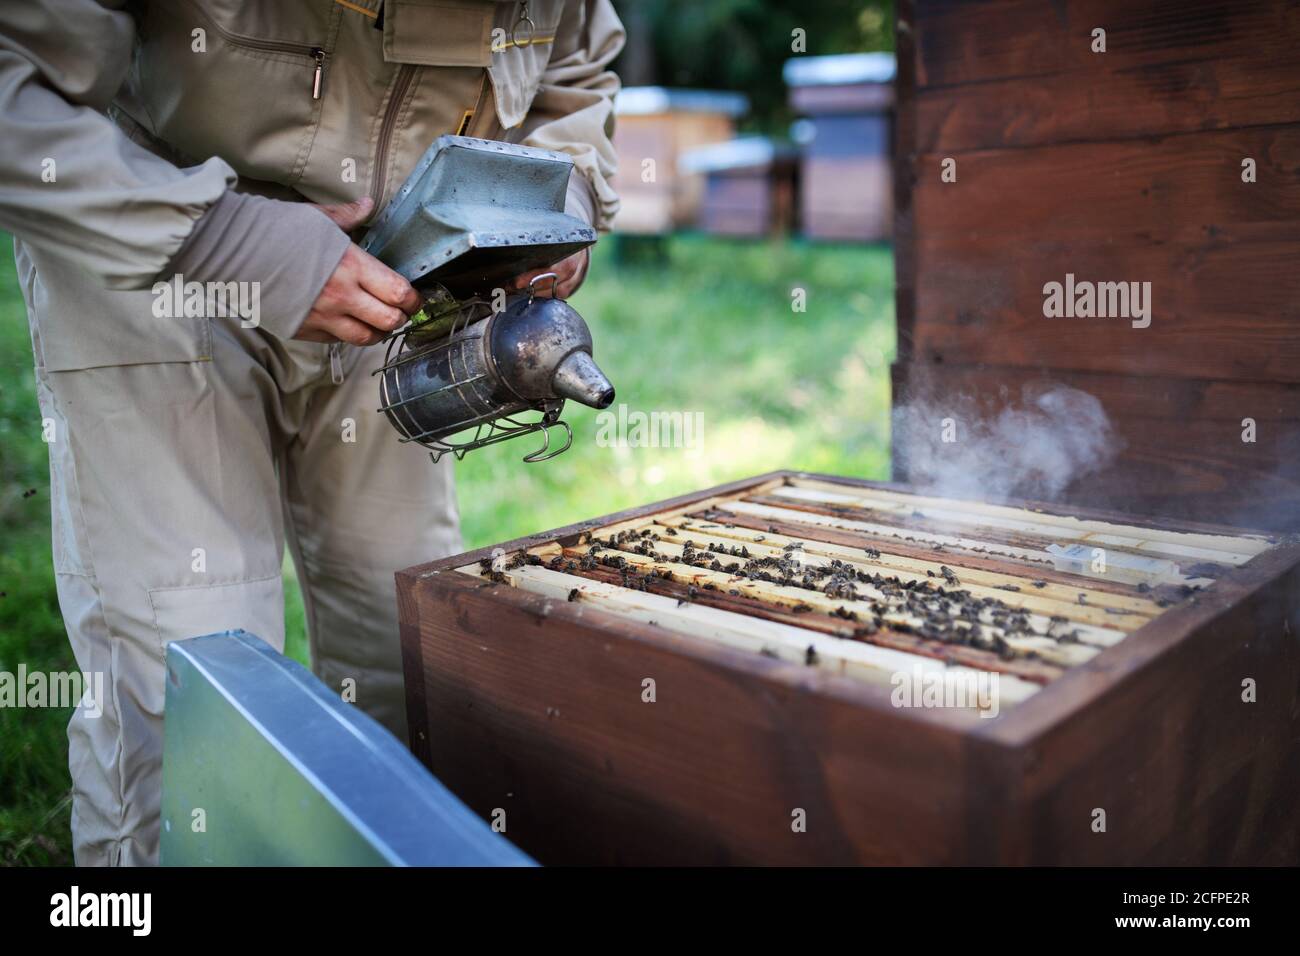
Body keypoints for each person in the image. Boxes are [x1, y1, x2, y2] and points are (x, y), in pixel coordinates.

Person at [0, 0, 624, 866]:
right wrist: (215, 238)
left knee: (401, 637)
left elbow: (571, 73)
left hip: (400, 284)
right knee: (194, 673)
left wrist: (556, 203)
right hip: (154, 261)